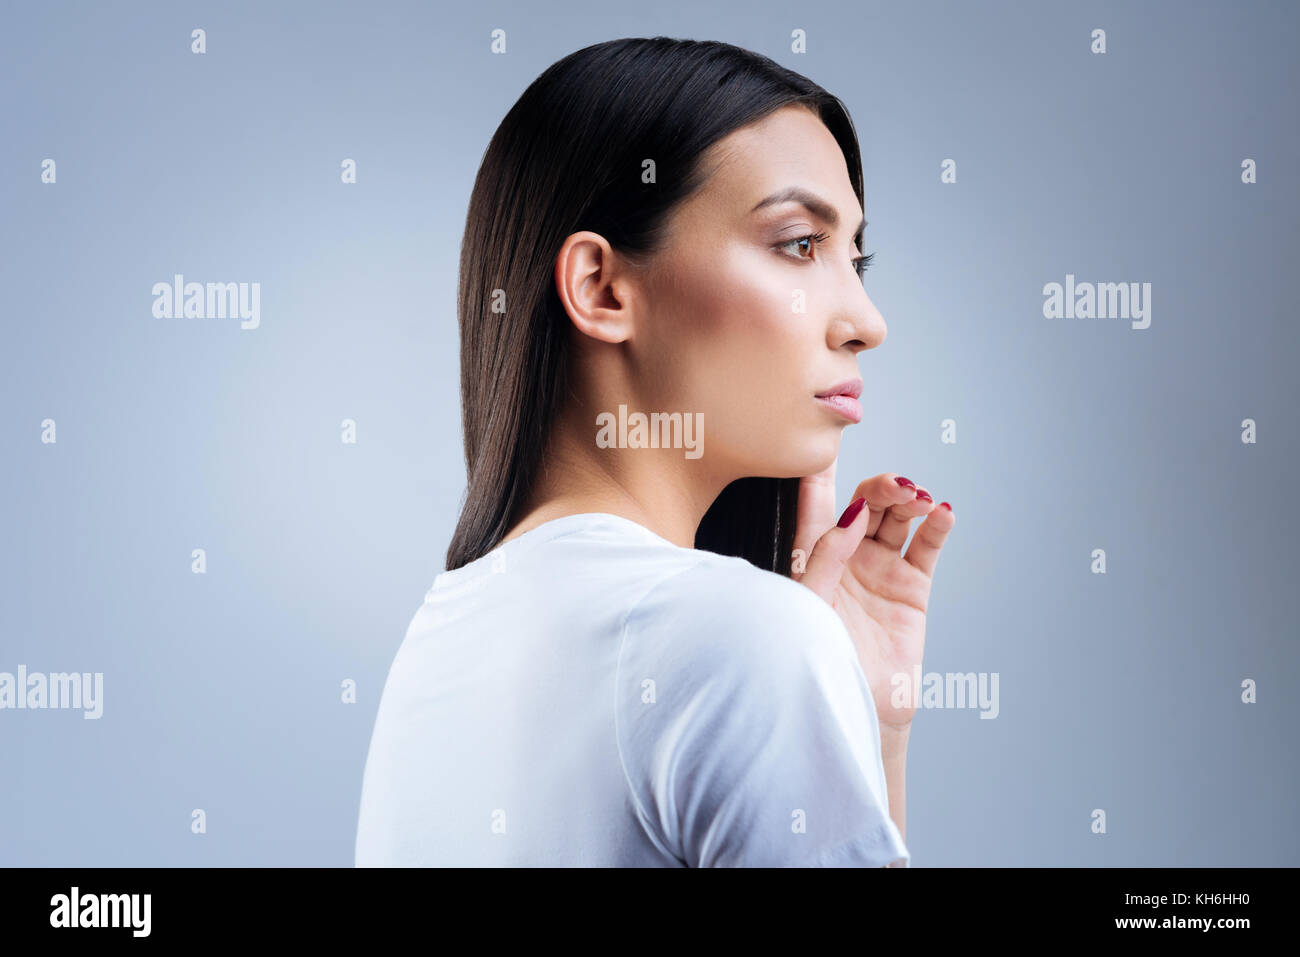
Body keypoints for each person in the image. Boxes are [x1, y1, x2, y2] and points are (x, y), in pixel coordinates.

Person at [355, 36, 955, 867]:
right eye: (798, 244)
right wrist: (794, 665)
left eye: (857, 257)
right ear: (601, 288)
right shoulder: (742, 637)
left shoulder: (439, 638)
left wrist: (864, 722)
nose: (866, 321)